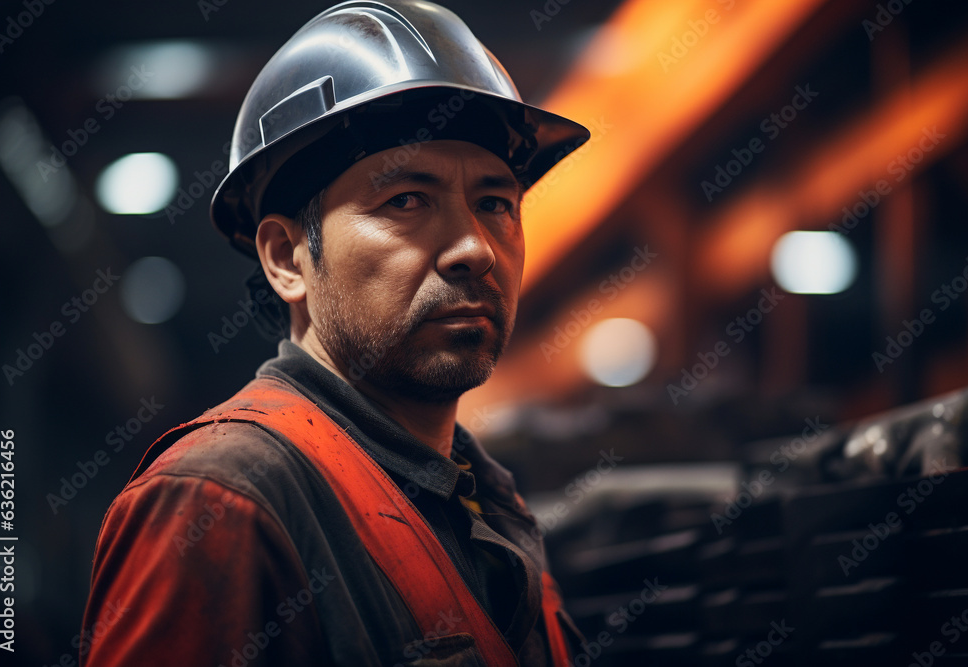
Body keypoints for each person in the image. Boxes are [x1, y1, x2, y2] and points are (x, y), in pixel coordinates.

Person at [81, 1, 591, 665]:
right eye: (406, 200)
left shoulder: (486, 500)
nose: (475, 247)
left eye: (496, 203)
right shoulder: (217, 500)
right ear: (288, 259)